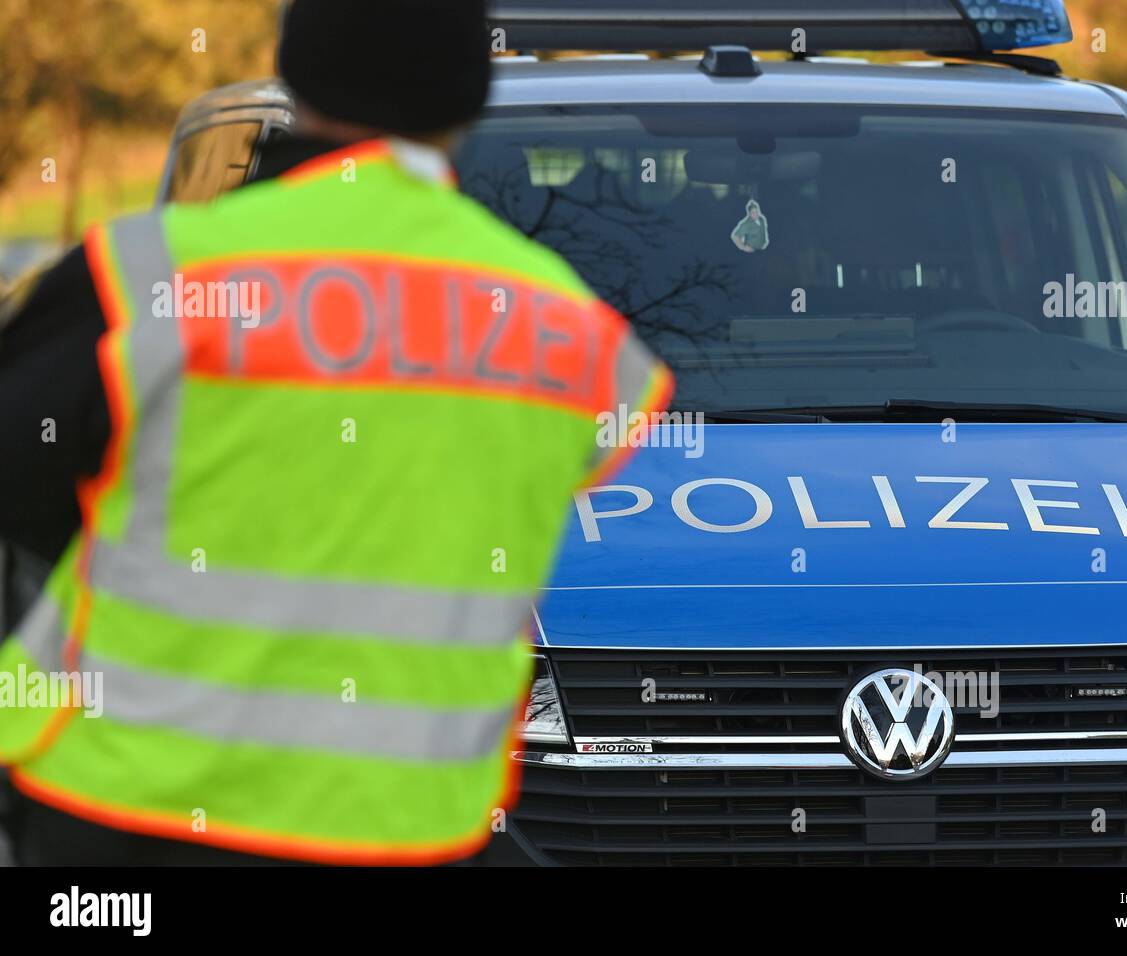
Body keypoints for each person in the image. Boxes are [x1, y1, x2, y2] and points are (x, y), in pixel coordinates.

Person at [0, 0, 672, 865]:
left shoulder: (156, 275)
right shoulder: (568, 328)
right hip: (409, 829)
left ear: (297, 70)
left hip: (129, 814)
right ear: (468, 99)